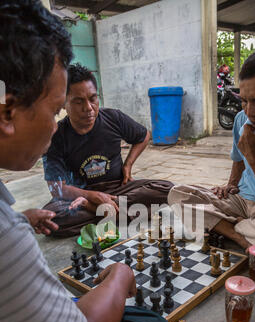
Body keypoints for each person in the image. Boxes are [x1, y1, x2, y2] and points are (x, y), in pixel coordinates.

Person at [0, 0, 175, 322]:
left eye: (88, 100)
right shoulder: (8, 237)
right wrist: (118, 277)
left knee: (157, 188)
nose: (75, 113)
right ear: (7, 112)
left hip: (119, 194)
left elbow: (142, 137)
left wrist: (127, 178)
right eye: (59, 107)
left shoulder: (113, 119)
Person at [169, 46, 255, 251]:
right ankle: (238, 235)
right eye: (244, 101)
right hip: (241, 201)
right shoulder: (240, 120)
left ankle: (221, 226)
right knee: (177, 194)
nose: (251, 112)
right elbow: (238, 160)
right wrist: (230, 185)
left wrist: (254, 158)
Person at [42, 63, 174, 237]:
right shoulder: (56, 137)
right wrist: (91, 196)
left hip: (118, 189)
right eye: (78, 101)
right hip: (80, 195)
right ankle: (119, 212)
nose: (88, 108)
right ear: (63, 103)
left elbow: (143, 136)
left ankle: (101, 211)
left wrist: (127, 165)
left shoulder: (113, 118)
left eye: (92, 98)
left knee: (166, 189)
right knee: (52, 219)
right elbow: (57, 188)